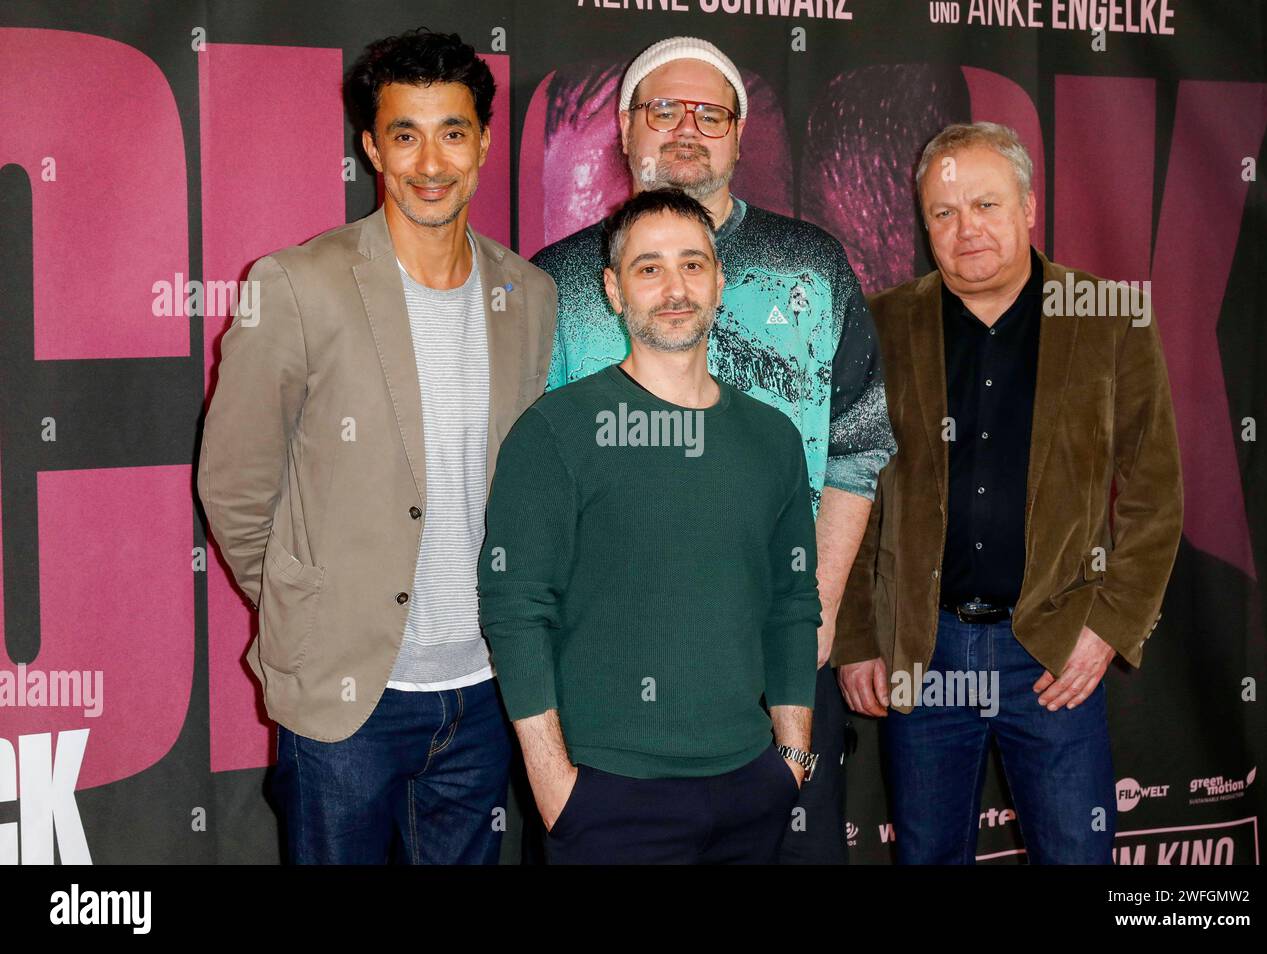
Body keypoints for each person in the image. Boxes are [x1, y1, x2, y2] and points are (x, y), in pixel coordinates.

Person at [532, 35, 895, 864]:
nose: (687, 128)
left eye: (710, 113)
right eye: (664, 109)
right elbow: (531, 489)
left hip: (779, 662)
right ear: (625, 131)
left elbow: (858, 446)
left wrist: (821, 613)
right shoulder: (557, 284)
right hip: (612, 683)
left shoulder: (813, 264)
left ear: (738, 135)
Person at [198, 28, 557, 864]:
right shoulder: (295, 285)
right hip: (347, 699)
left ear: (484, 143)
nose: (430, 162)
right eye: (405, 133)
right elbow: (234, 486)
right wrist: (307, 604)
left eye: (452, 132)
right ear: (372, 146)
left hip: (485, 691)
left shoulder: (528, 295)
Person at [834, 122, 1183, 864]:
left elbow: (1155, 497)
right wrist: (860, 638)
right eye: (944, 213)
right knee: (927, 856)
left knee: (1075, 858)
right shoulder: (882, 323)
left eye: (987, 205)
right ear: (923, 223)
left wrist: (1108, 628)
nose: (967, 231)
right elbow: (851, 487)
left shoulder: (1111, 317)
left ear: (1028, 206)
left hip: (1053, 651)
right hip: (924, 655)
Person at [479, 188, 820, 864]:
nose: (675, 288)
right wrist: (555, 786)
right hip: (609, 797)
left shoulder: (772, 438)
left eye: (693, 265)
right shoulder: (556, 430)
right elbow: (516, 609)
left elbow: (792, 604)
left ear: (720, 282)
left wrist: (791, 756)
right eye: (649, 267)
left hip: (751, 787)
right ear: (614, 289)